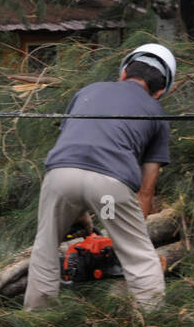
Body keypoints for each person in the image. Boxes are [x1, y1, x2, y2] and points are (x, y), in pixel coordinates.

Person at [22, 42, 175, 312]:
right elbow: (146, 190)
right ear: (160, 91)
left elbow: (75, 149)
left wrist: (77, 211)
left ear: (124, 73)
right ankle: (152, 324)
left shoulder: (87, 92)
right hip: (111, 183)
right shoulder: (157, 113)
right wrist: (128, 235)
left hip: (59, 175)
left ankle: (35, 322)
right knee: (140, 259)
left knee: (45, 250)